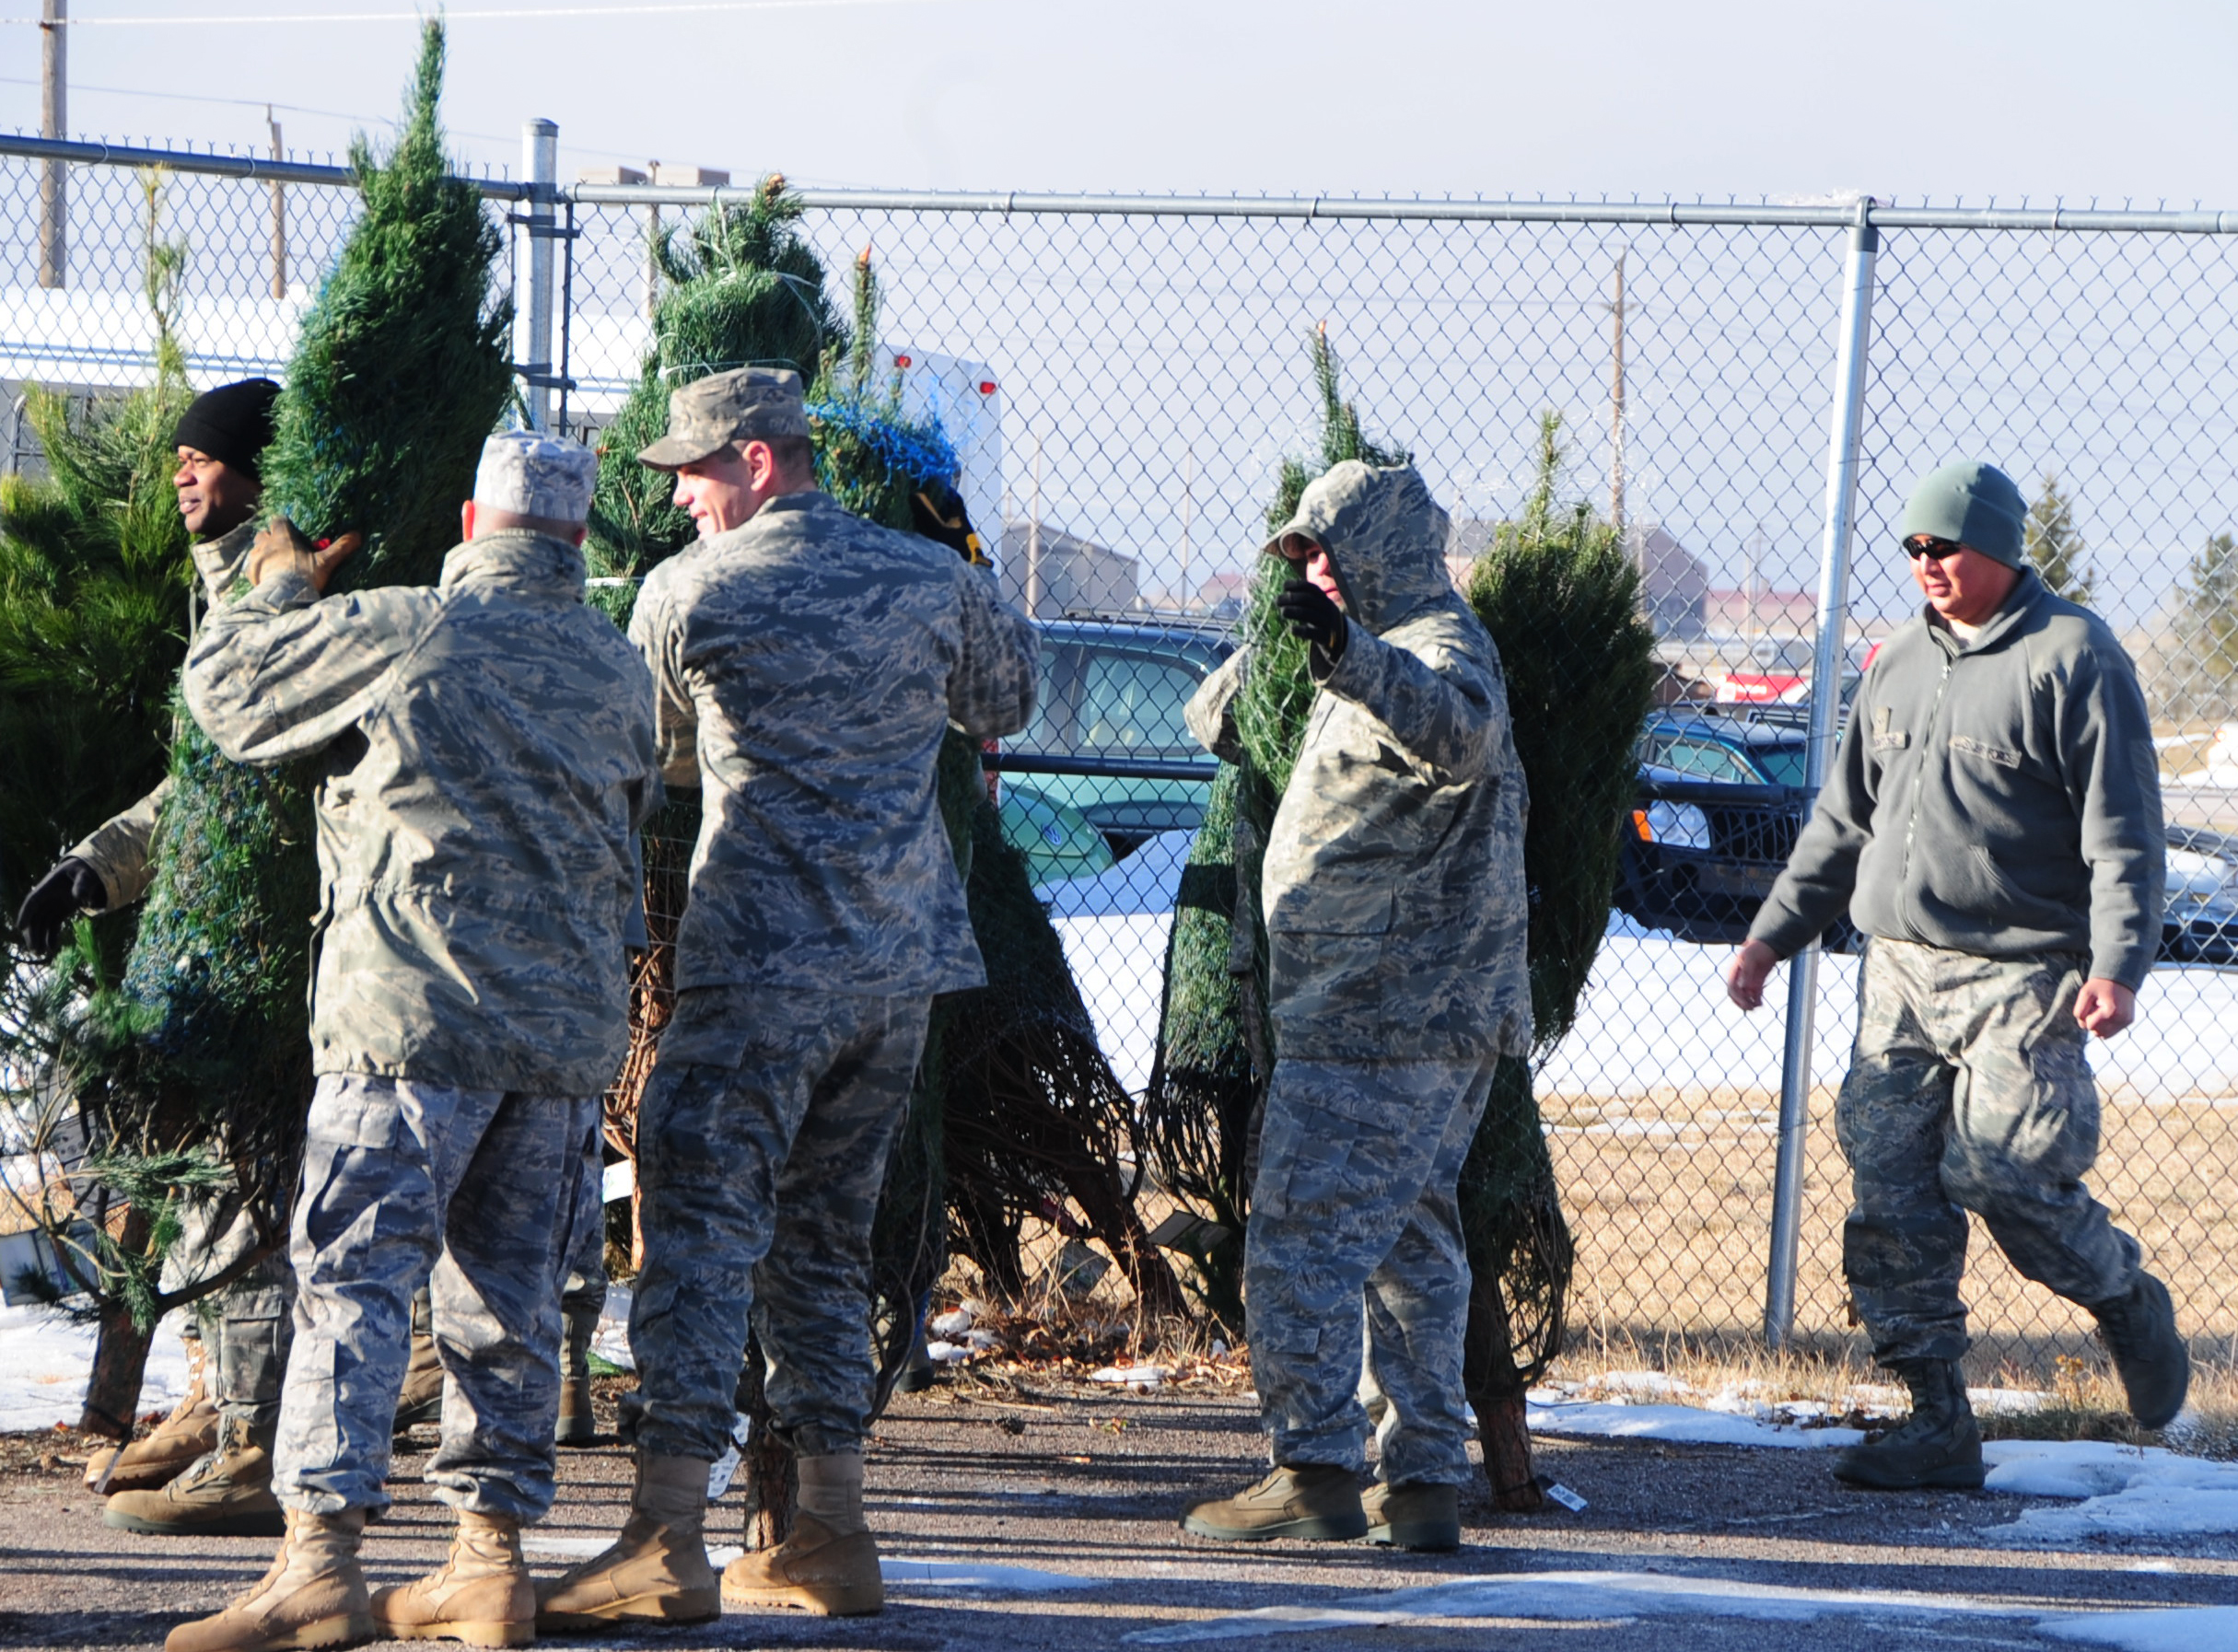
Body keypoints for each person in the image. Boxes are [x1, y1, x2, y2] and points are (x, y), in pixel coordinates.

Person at [536, 366, 1038, 1631]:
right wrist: (966, 560)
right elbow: (1010, 700)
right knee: (823, 1242)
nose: (682, 501)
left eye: (696, 473)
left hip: (757, 964)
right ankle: (831, 1526)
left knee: (698, 1240)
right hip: (894, 976)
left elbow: (634, 755)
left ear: (759, 461)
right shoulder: (931, 583)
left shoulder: (689, 592)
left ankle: (663, 1531)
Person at [164, 430, 660, 1652]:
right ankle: (488, 1567)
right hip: (556, 1042)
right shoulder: (616, 669)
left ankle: (319, 1568)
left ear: (467, 519)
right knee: (511, 1298)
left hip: (405, 1025)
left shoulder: (407, 626)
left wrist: (271, 582)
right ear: (581, 540)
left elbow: (228, 696)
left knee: (353, 1283)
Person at [1727, 460, 2189, 1491]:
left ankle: (2122, 1298)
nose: (1926, 564)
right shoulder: (1895, 662)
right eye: (1914, 549)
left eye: (1945, 546)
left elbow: (2125, 835)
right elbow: (1843, 822)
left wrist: (2118, 965)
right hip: (1897, 970)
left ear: (1999, 548)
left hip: (2022, 974)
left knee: (2004, 1174)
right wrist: (1769, 937)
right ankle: (1937, 1418)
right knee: (1890, 1187)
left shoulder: (2075, 658)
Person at [1176, 461, 1530, 1554]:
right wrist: (1291, 652)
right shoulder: (1359, 652)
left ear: (1385, 547)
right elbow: (1210, 722)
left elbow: (1460, 733)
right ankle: (1421, 1480)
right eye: (1299, 554)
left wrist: (1350, 655)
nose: (1315, 568)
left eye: (1328, 548)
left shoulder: (1435, 647)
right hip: (1400, 1013)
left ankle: (1313, 1467)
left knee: (1298, 1241)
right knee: (1412, 1243)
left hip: (1387, 1016)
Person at [13, 378, 296, 1535]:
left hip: (271, 938)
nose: (180, 474)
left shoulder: (285, 595)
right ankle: (217, 1397)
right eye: (177, 456)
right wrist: (101, 865)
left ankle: (252, 1439)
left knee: (240, 1178)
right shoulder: (227, 586)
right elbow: (203, 786)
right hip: (212, 924)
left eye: (202, 456)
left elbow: (235, 785)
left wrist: (111, 858)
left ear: (255, 471)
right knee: (202, 1177)